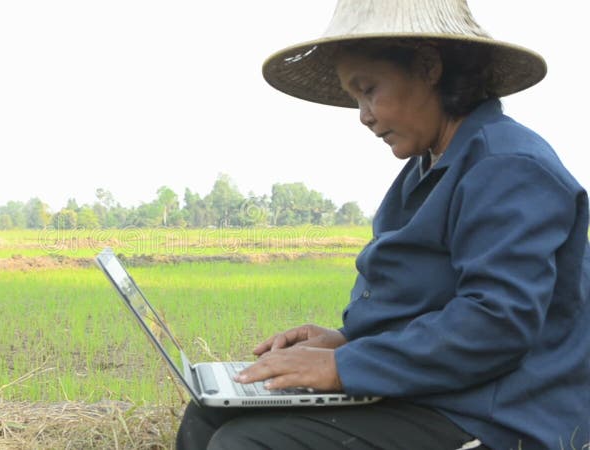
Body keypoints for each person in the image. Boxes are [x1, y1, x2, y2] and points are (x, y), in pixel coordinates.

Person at [176, 1, 590, 449]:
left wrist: (344, 367)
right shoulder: (427, 169)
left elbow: (495, 322)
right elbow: (427, 301)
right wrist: (344, 340)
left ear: (429, 67)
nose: (364, 115)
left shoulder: (508, 167)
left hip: (495, 415)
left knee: (246, 444)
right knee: (207, 415)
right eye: (356, 98)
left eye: (369, 89)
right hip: (437, 394)